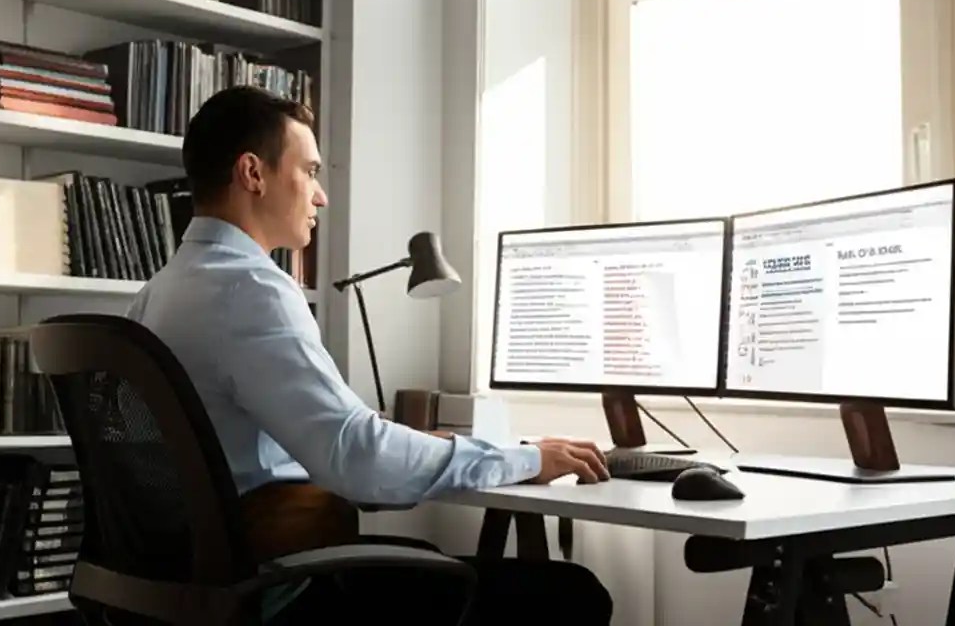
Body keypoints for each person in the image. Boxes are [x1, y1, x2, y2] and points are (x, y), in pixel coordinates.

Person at [126, 85, 613, 625]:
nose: (321, 196)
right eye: (309, 171)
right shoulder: (251, 290)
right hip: (280, 591)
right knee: (573, 594)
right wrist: (525, 458)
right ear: (253, 174)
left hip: (197, 589)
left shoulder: (158, 293)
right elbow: (356, 458)